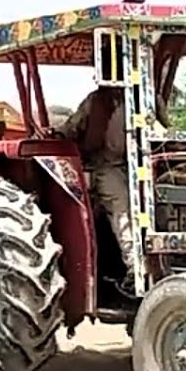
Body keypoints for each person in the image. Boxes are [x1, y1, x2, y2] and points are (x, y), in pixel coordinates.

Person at [55, 87, 135, 272]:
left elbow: (163, 128)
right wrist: (57, 135)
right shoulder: (97, 100)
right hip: (106, 165)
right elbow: (72, 128)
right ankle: (134, 264)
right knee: (121, 205)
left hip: (138, 164)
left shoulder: (146, 98)